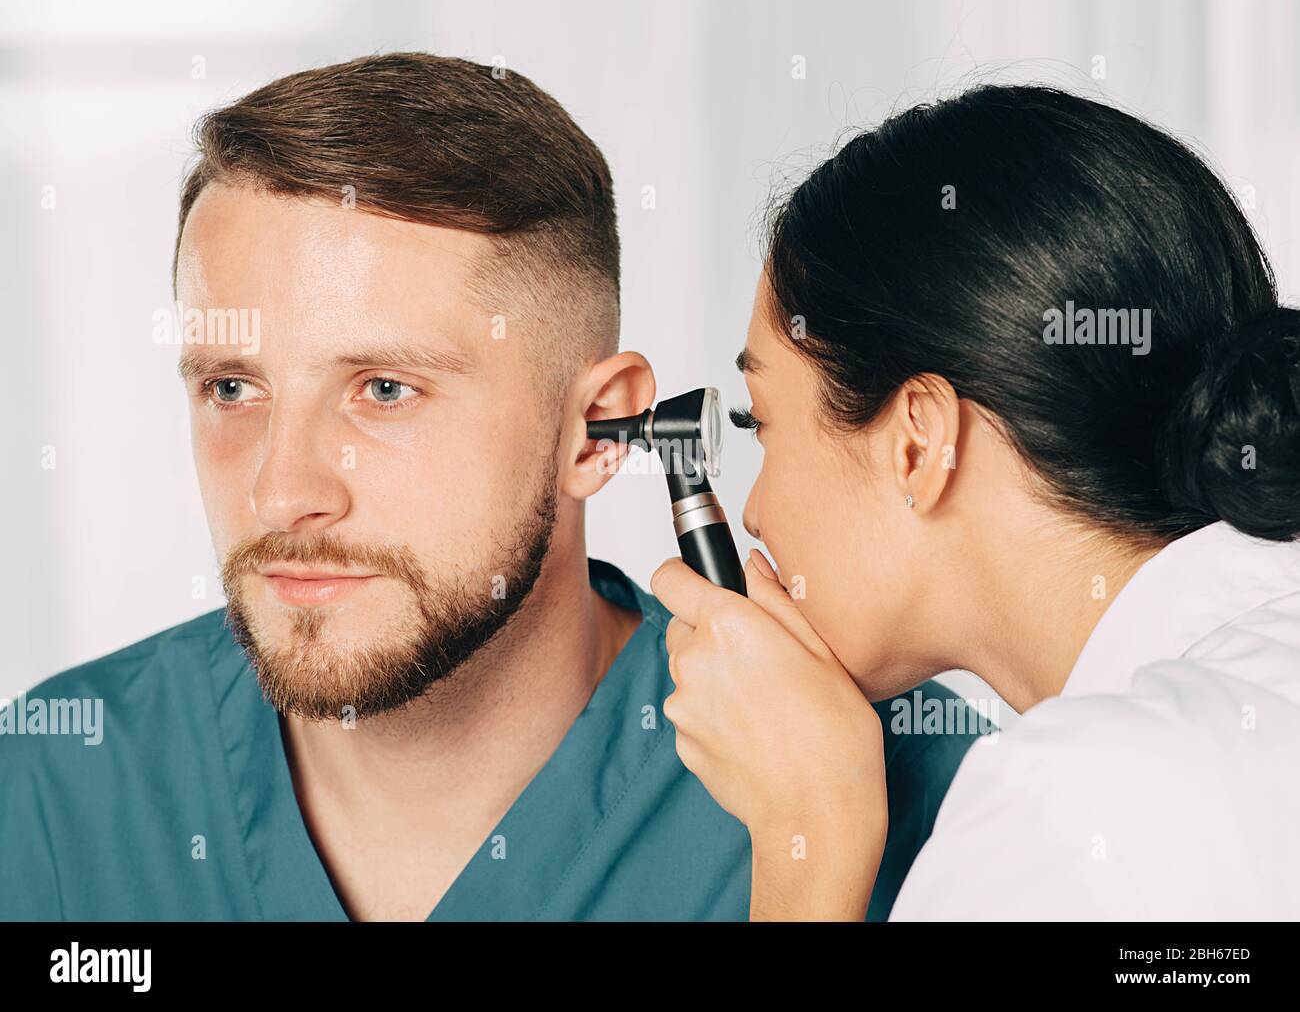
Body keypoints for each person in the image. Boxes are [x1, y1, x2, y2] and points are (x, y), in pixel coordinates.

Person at [0, 53, 986, 922]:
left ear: (597, 433)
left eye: (383, 389)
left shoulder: (925, 802)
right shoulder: (51, 793)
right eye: (232, 388)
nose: (278, 491)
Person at [651, 83, 1300, 920]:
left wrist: (809, 827)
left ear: (918, 443)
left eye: (761, 422)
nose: (752, 513)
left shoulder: (1072, 810)